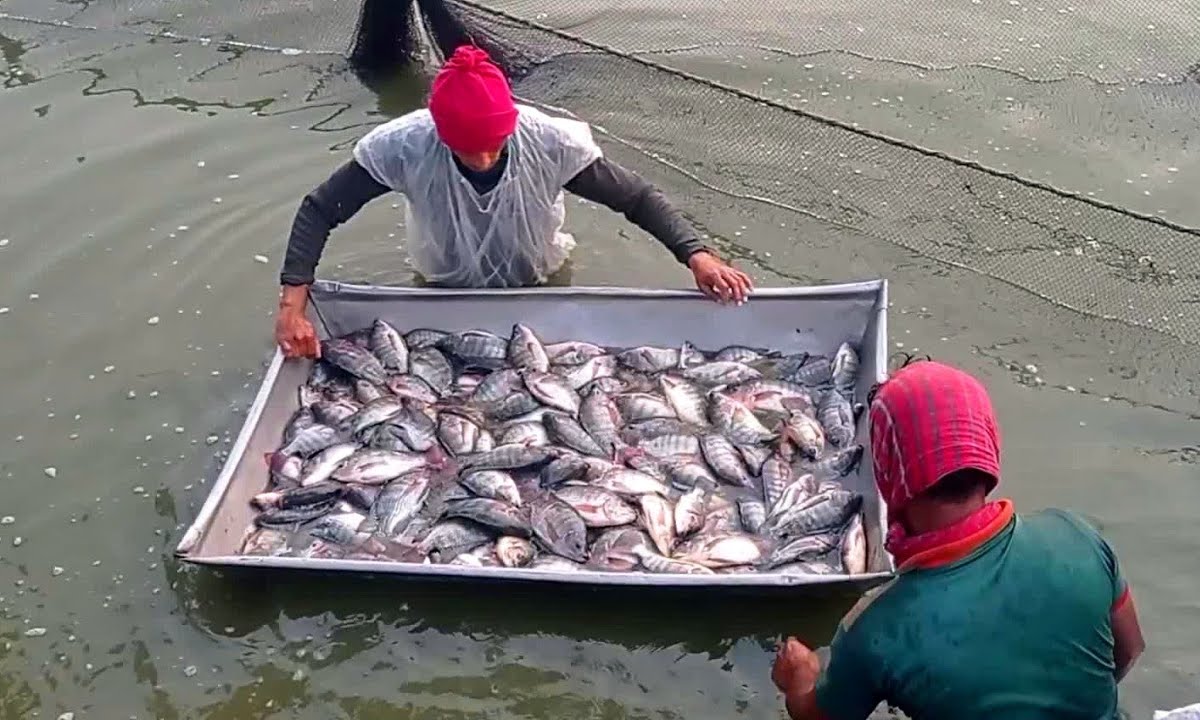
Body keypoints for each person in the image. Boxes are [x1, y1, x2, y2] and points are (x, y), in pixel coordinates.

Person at [274, 44, 754, 358]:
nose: (483, 158)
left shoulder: (550, 142)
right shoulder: (403, 147)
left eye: (494, 143)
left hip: (539, 275)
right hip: (442, 281)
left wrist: (698, 256)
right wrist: (292, 306)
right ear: (440, 133)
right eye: (466, 146)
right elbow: (320, 210)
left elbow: (637, 198)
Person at [772, 359, 1146, 720]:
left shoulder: (877, 626)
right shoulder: (1076, 536)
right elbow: (1129, 651)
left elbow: (818, 718)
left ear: (887, 474)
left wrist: (800, 679)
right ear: (988, 446)